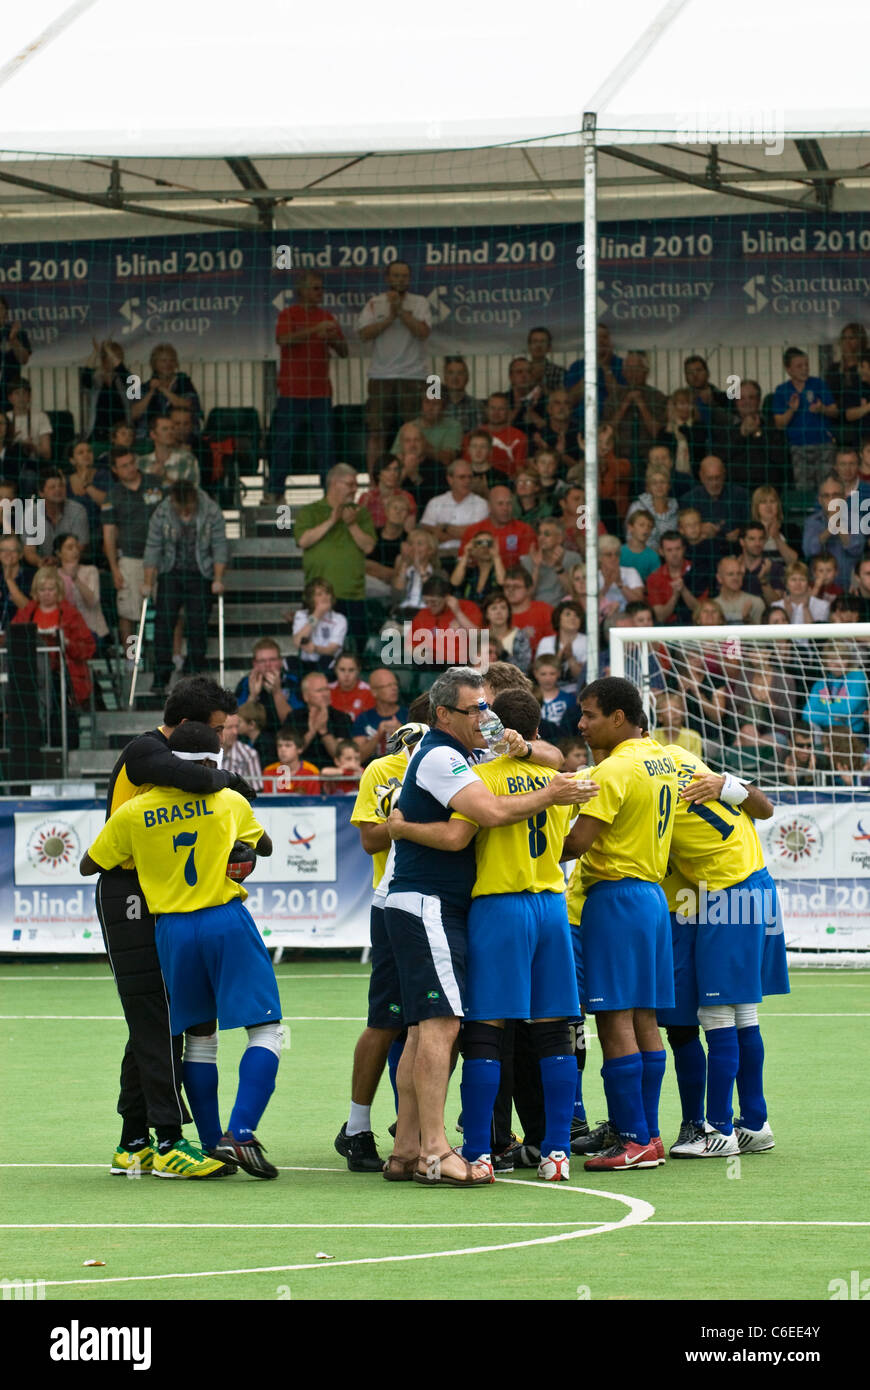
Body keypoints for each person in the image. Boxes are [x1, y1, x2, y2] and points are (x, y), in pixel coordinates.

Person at [382, 666, 598, 1184]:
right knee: (447, 1026)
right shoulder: (439, 756)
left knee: (431, 1029)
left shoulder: (478, 753)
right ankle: (442, 1150)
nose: (485, 718)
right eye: (474, 709)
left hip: (471, 907)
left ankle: (411, 1148)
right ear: (442, 715)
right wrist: (548, 792)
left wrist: (523, 749)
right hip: (433, 901)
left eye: (489, 708)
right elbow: (483, 818)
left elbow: (549, 756)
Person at [81, 720, 280, 1179]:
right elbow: (261, 847)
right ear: (214, 762)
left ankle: (209, 1143)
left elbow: (88, 863)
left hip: (169, 929)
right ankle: (240, 1130)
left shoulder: (135, 812)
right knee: (266, 1029)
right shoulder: (228, 800)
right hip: (223, 918)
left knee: (200, 1037)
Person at [561, 677, 678, 1170]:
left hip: (614, 897)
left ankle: (632, 1139)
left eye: (589, 715)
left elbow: (575, 845)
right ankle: (647, 1135)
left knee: (613, 1019)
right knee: (645, 1018)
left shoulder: (613, 770)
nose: (581, 725)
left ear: (618, 717)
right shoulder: (662, 759)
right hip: (651, 896)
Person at [658, 748, 788, 1158]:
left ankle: (717, 1129)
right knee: (743, 1012)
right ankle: (754, 1122)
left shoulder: (641, 776)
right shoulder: (679, 756)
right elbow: (764, 808)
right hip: (756, 885)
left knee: (715, 1014)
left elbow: (763, 807)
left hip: (727, 894)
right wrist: (728, 785)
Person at [337, 708, 429, 1171]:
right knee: (389, 1020)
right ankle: (357, 1127)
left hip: (443, 904)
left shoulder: (469, 760)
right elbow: (372, 841)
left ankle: (410, 1125)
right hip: (394, 903)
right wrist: (404, 815)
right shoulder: (386, 767)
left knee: (434, 1024)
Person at [143, 481, 227, 696]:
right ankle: (161, 675)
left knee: (198, 624)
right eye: (179, 507)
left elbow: (219, 546)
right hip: (171, 572)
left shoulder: (211, 510)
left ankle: (193, 675)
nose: (184, 511)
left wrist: (217, 578)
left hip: (200, 574)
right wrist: (148, 581)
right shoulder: (162, 512)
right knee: (163, 623)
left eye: (187, 506)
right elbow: (153, 547)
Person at [269, 269, 348, 497]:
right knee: (284, 443)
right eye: (314, 288)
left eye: (321, 288)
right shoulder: (288, 314)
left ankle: (331, 494)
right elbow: (282, 339)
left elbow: (344, 351)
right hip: (292, 392)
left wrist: (332, 338)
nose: (319, 292)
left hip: (320, 393)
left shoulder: (328, 318)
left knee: (326, 446)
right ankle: (275, 491)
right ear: (301, 291)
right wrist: (315, 330)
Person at [357, 261, 432, 469]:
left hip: (413, 376)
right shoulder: (375, 303)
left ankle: (412, 477)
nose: (400, 280)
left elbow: (423, 332)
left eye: (404, 276)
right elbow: (363, 334)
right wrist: (390, 317)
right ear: (387, 278)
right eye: (396, 276)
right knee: (376, 432)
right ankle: (374, 483)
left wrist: (401, 312)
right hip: (381, 376)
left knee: (413, 433)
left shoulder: (420, 303)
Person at [12, 563, 96, 746]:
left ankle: (62, 746)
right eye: (42, 589)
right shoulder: (27, 612)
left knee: (58, 699)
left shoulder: (71, 614)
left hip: (63, 677)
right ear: (36, 590)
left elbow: (88, 648)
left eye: (50, 589)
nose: (46, 593)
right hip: (31, 676)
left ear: (57, 590)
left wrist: (67, 642)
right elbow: (13, 637)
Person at [293, 464, 376, 648]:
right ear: (334, 483)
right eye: (350, 484)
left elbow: (369, 547)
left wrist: (352, 524)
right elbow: (304, 541)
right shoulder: (310, 511)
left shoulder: (360, 513)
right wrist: (332, 520)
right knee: (312, 650)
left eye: (355, 485)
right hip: (318, 598)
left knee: (353, 656)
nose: (355, 489)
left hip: (353, 596)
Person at [101, 447, 168, 650]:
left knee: (171, 610)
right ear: (115, 470)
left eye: (132, 463)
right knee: (128, 613)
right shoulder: (112, 496)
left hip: (162, 557)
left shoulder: (157, 484)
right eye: (124, 466)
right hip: (130, 558)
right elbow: (109, 535)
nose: (130, 468)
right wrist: (114, 568)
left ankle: (174, 655)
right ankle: (131, 656)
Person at [772, 346, 838, 488]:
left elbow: (834, 411)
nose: (804, 369)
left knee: (827, 486)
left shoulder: (818, 384)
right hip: (798, 446)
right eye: (799, 366)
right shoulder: (782, 390)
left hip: (823, 444)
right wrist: (792, 410)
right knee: (803, 488)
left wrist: (822, 409)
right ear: (788, 369)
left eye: (807, 365)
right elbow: (779, 423)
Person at [234, 638, 300, 766]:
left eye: (272, 660)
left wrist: (277, 692)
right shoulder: (245, 684)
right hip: (254, 744)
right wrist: (252, 696)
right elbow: (239, 724)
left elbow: (293, 722)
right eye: (262, 661)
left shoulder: (292, 681)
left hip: (285, 741)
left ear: (280, 662)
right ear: (254, 664)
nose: (268, 665)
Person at [602, 351, 667, 473]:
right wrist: (625, 404)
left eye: (637, 369)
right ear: (623, 372)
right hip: (619, 458)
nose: (632, 373)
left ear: (646, 371)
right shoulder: (614, 398)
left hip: (650, 460)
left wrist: (641, 404)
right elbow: (606, 432)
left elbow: (658, 433)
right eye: (628, 369)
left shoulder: (658, 398)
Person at [801, 477, 865, 591]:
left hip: (850, 589)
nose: (831, 500)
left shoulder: (855, 519)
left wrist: (839, 524)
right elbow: (809, 551)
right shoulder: (812, 522)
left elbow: (857, 548)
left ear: (844, 498)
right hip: (820, 589)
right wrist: (830, 529)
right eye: (826, 496)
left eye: (835, 495)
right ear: (820, 500)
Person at [725, 379, 787, 492]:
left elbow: (780, 459)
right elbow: (721, 458)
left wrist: (757, 433)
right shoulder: (726, 430)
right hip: (735, 492)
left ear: (759, 401)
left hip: (767, 490)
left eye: (751, 397)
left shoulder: (773, 428)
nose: (746, 402)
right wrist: (741, 434)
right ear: (736, 402)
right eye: (741, 398)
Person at [130, 343, 202, 438]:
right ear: (154, 364)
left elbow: (187, 406)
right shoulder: (144, 387)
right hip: (149, 437)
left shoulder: (184, 382)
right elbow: (133, 414)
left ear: (176, 363)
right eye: (163, 361)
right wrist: (151, 392)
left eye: (172, 360)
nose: (168, 364)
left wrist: (163, 389)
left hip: (179, 437)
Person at [288, 669, 354, 768]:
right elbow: (289, 754)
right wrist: (313, 730)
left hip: (333, 776)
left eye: (326, 689)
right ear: (306, 696)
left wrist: (324, 731)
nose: (325, 694)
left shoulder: (342, 718)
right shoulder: (294, 718)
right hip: (302, 776)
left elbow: (342, 756)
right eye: (319, 690)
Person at [458, 484, 536, 566]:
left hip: (514, 577)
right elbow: (462, 565)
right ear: (489, 507)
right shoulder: (473, 531)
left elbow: (528, 568)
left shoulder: (525, 530)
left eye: (509, 503)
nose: (505, 508)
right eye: (500, 504)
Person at [802, 641, 869, 736]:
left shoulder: (858, 677)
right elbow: (806, 714)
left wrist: (820, 710)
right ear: (825, 661)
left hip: (853, 735)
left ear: (849, 660)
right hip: (825, 734)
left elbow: (846, 710)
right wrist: (836, 719)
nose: (838, 663)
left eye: (843, 658)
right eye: (833, 659)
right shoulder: (820, 684)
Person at [53, 532, 109, 645]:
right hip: (66, 630)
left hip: (92, 629)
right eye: (70, 548)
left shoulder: (91, 571)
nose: (75, 551)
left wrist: (75, 579)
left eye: (77, 547)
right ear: (58, 553)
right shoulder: (54, 575)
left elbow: (93, 602)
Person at [682, 456, 750, 543]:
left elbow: (751, 524)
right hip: (702, 550)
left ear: (724, 475)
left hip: (735, 549)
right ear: (701, 477)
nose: (714, 483)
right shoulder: (688, 500)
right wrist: (699, 528)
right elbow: (681, 531)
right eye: (709, 479)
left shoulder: (741, 495)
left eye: (717, 478)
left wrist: (740, 532)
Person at [390, 390, 463, 468]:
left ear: (443, 407)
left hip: (439, 473)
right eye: (427, 402)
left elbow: (447, 459)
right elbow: (395, 458)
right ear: (421, 404)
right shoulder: (407, 427)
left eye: (435, 403)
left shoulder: (453, 426)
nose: (430, 407)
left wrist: (422, 444)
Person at [290, 578, 348, 672]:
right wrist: (317, 614)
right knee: (290, 662)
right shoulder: (301, 615)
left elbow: (332, 649)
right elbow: (297, 641)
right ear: (311, 598)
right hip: (306, 663)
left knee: (326, 661)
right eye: (319, 594)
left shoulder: (339, 619)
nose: (324, 597)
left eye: (327, 593)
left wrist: (315, 649)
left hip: (329, 664)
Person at [521, 515, 581, 606]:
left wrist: (559, 567)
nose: (541, 538)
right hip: (536, 610)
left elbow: (576, 594)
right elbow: (526, 596)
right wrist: (536, 568)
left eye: (547, 534)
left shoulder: (573, 558)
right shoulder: (527, 560)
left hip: (563, 610)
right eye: (539, 534)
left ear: (559, 538)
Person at [352, 667, 408, 763]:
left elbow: (417, 752)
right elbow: (358, 757)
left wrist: (401, 732)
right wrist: (378, 734)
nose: (394, 688)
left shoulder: (408, 715)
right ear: (374, 692)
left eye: (395, 684)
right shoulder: (363, 718)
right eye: (388, 685)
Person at [81, 338, 131, 444]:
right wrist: (95, 352)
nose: (110, 360)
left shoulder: (125, 377)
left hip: (121, 432)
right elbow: (85, 377)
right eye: (106, 357)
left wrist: (108, 351)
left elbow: (123, 373)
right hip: (98, 432)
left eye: (114, 357)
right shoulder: (96, 378)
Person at [469, 393, 528, 477]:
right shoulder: (475, 434)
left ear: (508, 412)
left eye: (501, 409)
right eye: (492, 408)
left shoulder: (519, 437)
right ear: (486, 410)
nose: (496, 413)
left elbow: (520, 470)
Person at [626, 457, 680, 549]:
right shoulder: (637, 507)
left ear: (669, 485)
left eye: (662, 482)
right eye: (654, 483)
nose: (659, 486)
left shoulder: (676, 507)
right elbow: (629, 537)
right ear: (648, 487)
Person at [534, 599, 587, 692]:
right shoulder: (546, 642)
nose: (573, 618)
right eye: (568, 614)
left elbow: (584, 677)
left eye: (577, 615)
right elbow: (541, 674)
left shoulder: (587, 641)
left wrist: (571, 658)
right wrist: (558, 658)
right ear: (558, 618)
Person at [500, 566, 554, 654]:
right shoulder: (498, 613)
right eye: (507, 586)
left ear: (529, 589)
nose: (510, 590)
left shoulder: (544, 610)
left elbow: (553, 644)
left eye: (516, 586)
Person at [139, 415, 199, 488]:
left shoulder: (187, 459)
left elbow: (193, 493)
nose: (170, 432)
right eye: (165, 429)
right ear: (153, 434)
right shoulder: (142, 462)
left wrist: (166, 478)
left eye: (172, 428)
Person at [479, 589, 532, 673]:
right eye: (494, 608)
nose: (499, 612)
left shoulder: (520, 636)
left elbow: (524, 667)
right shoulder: (480, 638)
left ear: (509, 613)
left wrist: (503, 654)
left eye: (503, 608)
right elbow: (474, 667)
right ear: (486, 614)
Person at [449, 532, 506, 608]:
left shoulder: (500, 570)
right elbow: (454, 583)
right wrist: (466, 554)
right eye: (480, 543)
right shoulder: (470, 572)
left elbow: (503, 583)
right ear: (473, 548)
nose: (485, 548)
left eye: (489, 543)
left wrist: (496, 556)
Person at [6, 379, 51, 470]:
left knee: (28, 478)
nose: (21, 397)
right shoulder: (4, 418)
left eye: (24, 393)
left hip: (32, 465)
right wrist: (10, 441)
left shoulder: (41, 417)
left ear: (30, 397)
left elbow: (47, 454)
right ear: (10, 398)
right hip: (8, 463)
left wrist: (33, 447)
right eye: (17, 393)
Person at [262, 726, 321, 793]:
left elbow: (314, 802)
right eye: (279, 746)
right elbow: (268, 802)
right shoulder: (269, 772)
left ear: (300, 749)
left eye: (288, 745)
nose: (282, 749)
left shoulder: (312, 772)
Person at [714, 555, 765, 625]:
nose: (735, 578)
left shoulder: (756, 603)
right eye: (730, 574)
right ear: (719, 578)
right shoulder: (713, 607)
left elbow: (761, 634)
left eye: (739, 574)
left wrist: (748, 619)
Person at [0, 295, 32, 410]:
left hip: (10, 392)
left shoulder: (17, 333)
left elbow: (24, 360)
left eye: (1, 309)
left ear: (6, 312)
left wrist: (13, 340)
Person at [442, 357, 483, 435]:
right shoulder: (438, 406)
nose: (455, 377)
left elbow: (478, 437)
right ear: (445, 378)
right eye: (450, 373)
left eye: (460, 373)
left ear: (467, 378)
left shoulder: (476, 406)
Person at [222, 710, 263, 789]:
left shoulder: (249, 755)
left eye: (236, 726)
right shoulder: (206, 754)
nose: (235, 732)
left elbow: (257, 791)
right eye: (229, 727)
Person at [0, 533, 32, 632]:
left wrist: (9, 580)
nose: (7, 554)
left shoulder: (31, 576)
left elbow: (28, 609)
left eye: (12, 550)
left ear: (21, 554)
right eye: (3, 550)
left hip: (20, 635)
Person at [329, 651, 374, 720]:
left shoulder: (369, 691)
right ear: (335, 670)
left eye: (351, 670)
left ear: (358, 670)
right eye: (342, 670)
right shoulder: (327, 690)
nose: (346, 674)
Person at [620, 508, 661, 584]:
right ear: (630, 527)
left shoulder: (653, 556)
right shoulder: (619, 552)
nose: (646, 529)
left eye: (650, 526)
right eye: (641, 525)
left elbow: (654, 583)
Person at [526, 326, 564, 392]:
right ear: (529, 346)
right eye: (535, 341)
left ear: (549, 347)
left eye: (543, 341)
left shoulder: (559, 372)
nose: (538, 345)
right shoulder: (521, 371)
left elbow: (561, 399)